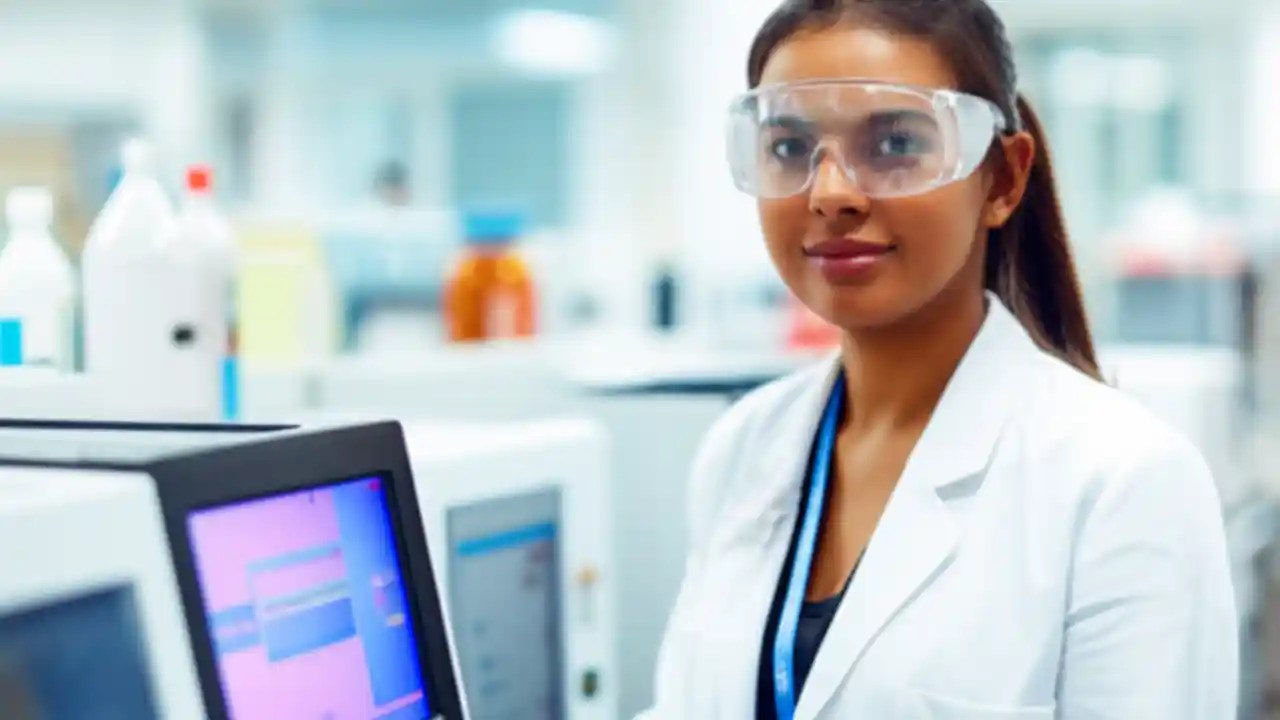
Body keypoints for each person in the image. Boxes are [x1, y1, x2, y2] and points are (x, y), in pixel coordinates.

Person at [640, 1, 1238, 718]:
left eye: (895, 144)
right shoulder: (741, 450)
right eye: (791, 148)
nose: (830, 193)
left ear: (1004, 180)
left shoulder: (1123, 482)